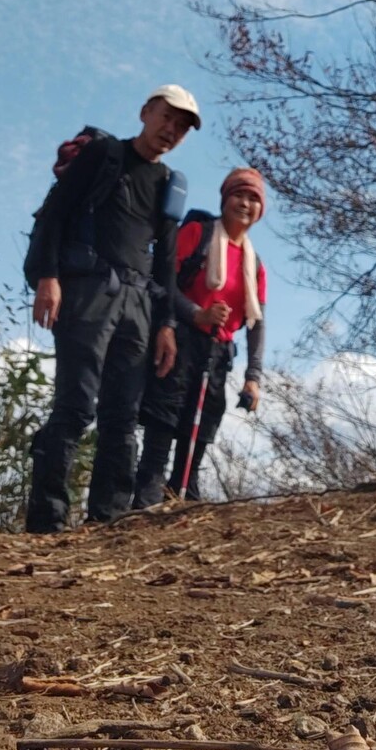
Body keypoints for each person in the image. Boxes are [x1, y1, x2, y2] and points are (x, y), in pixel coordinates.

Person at [25, 85, 201, 533]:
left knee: (124, 413)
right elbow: (54, 216)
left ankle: (109, 519)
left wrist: (165, 325)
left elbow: (165, 259)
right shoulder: (104, 155)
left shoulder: (169, 184)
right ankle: (47, 521)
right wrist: (48, 278)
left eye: (181, 127)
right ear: (145, 112)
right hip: (88, 292)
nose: (171, 130)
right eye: (167, 118)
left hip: (141, 304)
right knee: (76, 404)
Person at [134, 167, 267, 506]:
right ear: (225, 199)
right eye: (239, 195)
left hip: (219, 351)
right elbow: (163, 282)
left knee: (203, 425)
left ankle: (183, 499)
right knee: (164, 420)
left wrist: (253, 377)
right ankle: (146, 501)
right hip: (179, 337)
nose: (245, 203)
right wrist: (198, 313)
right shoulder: (198, 233)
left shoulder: (255, 264)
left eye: (254, 199)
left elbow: (257, 322)